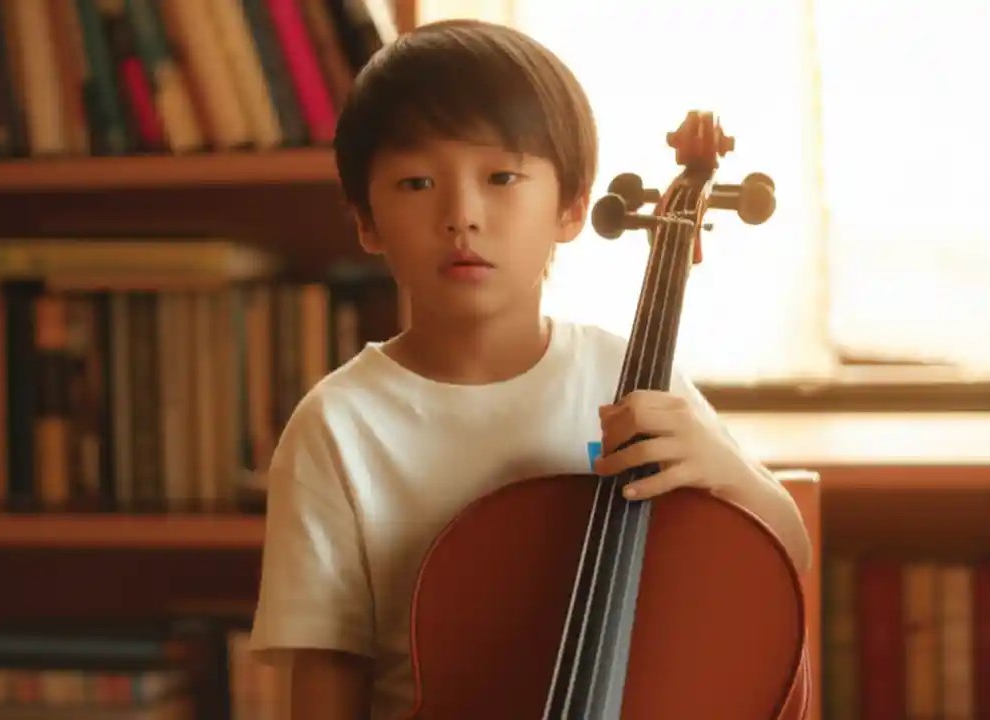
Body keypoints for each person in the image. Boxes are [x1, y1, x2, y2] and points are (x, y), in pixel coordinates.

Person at [250, 18, 813, 720]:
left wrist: (725, 469)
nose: (462, 215)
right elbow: (327, 679)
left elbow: (787, 549)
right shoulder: (337, 428)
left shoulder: (629, 379)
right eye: (417, 182)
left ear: (572, 206)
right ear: (366, 220)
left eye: (502, 176)